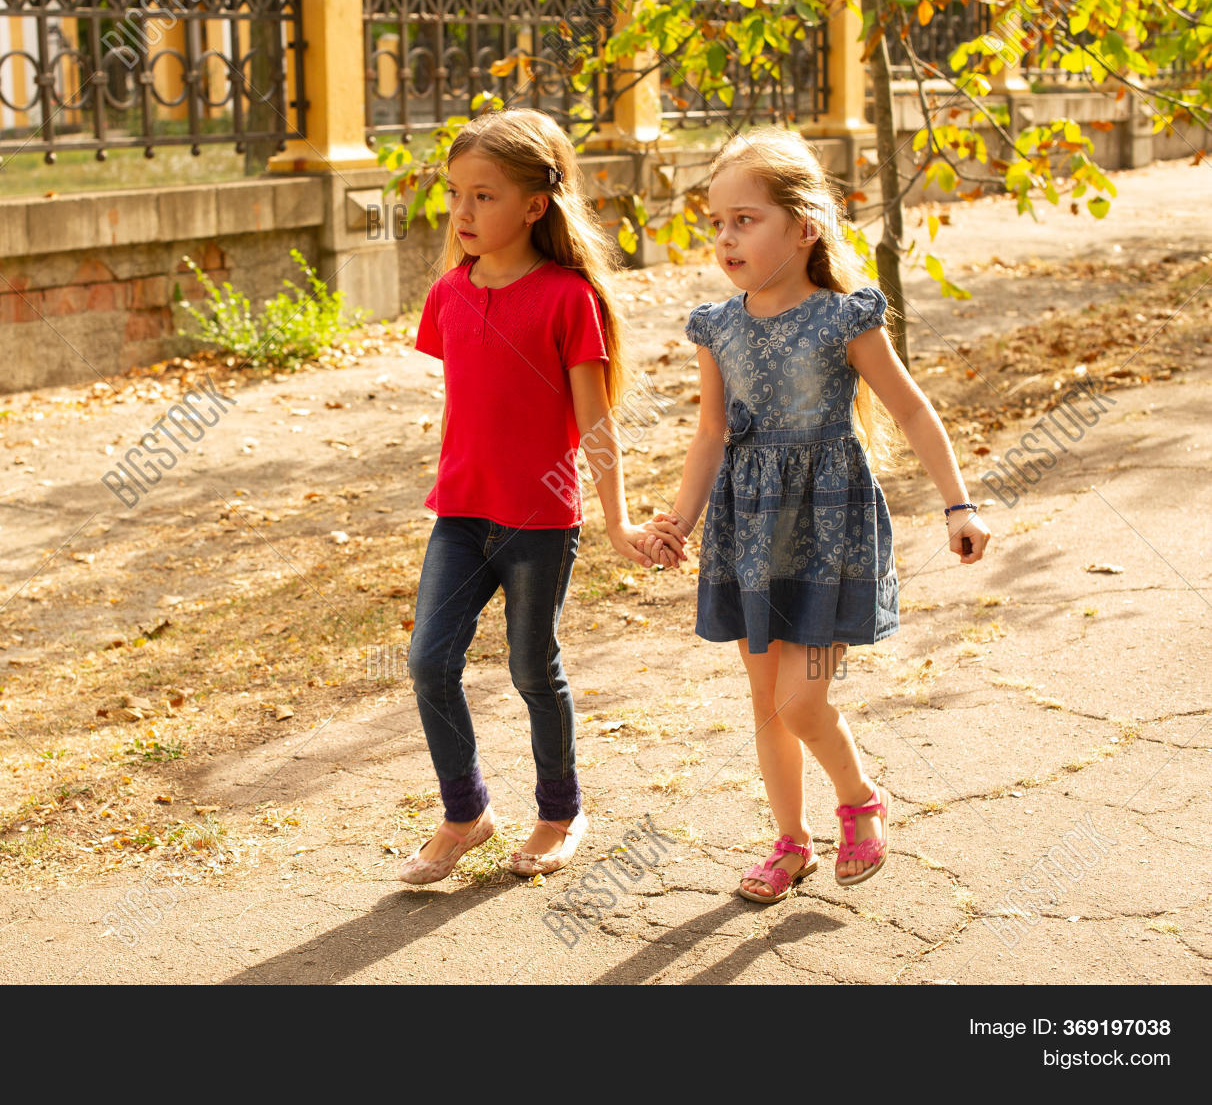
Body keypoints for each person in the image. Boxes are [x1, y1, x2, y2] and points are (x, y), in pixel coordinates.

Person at [644, 128, 992, 903]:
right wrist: (679, 520)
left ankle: (860, 799)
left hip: (830, 524)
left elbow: (909, 409)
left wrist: (957, 504)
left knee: (802, 700)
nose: (726, 238)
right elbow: (710, 434)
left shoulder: (843, 317)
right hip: (749, 526)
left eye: (746, 219)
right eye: (717, 223)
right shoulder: (717, 324)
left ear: (805, 228)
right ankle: (790, 842)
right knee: (766, 703)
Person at [399, 108, 656, 885]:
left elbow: (596, 421)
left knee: (531, 666)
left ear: (534, 206)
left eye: (484, 196)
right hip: (460, 514)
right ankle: (465, 813)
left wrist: (617, 519)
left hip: (539, 521)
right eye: (457, 195)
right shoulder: (448, 293)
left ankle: (559, 813)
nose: (464, 213)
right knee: (428, 662)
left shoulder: (565, 298)